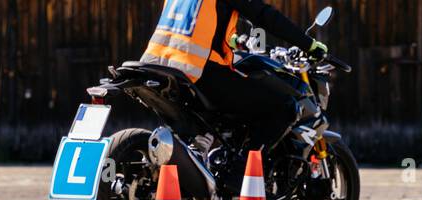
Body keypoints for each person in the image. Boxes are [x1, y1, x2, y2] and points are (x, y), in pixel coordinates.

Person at [140, 0, 328, 154]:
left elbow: (197, 25)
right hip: (196, 69)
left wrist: (237, 40)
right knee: (284, 107)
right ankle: (240, 177)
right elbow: (263, 14)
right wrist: (309, 45)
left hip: (155, 66)